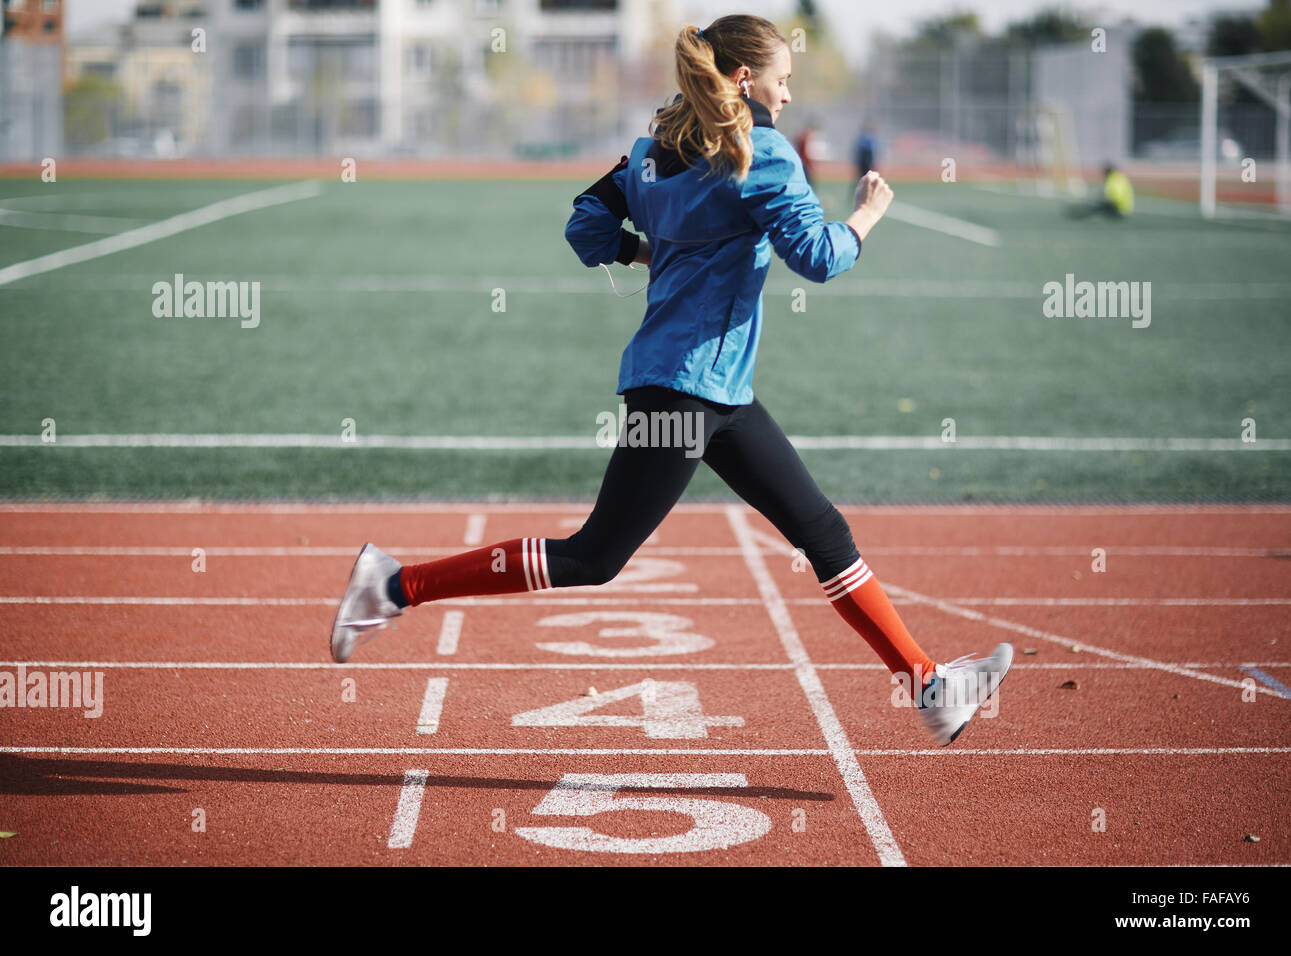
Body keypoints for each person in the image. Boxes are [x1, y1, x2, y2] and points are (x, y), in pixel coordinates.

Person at [328, 15, 1012, 746]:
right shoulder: (764, 155)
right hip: (687, 393)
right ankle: (393, 587)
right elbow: (819, 258)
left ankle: (930, 687)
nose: (788, 96)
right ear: (746, 80)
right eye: (783, 80)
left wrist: (641, 252)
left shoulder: (652, 152)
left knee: (821, 530)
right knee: (594, 557)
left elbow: (584, 228)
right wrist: (869, 216)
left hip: (714, 393)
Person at [1068, 162, 1134, 219]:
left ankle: (1081, 216)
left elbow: (1114, 197)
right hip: (1125, 207)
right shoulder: (1120, 177)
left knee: (1097, 205)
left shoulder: (1113, 180)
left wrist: (1101, 200)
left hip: (1120, 209)